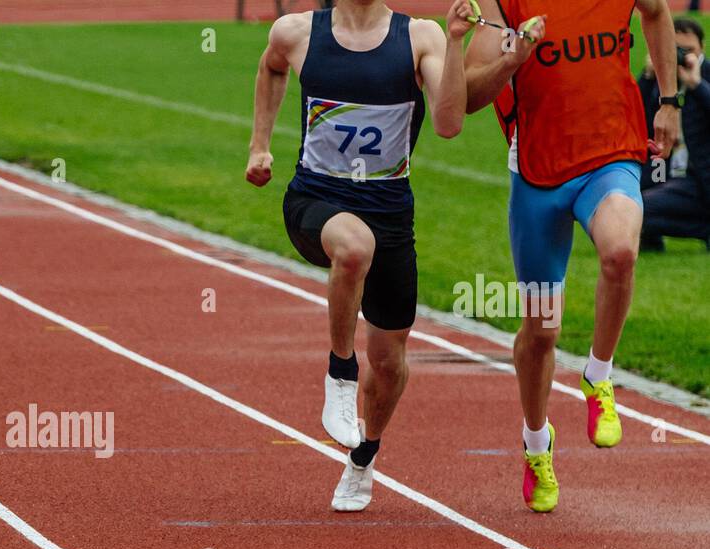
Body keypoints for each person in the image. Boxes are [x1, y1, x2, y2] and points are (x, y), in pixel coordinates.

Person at [246, 0, 477, 512]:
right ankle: (339, 372)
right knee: (353, 248)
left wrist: (458, 41)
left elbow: (449, 124)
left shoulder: (420, 38)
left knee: (391, 363)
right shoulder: (297, 31)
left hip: (390, 211)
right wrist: (259, 145)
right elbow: (271, 66)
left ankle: (363, 458)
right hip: (314, 202)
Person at [465, 0, 680, 513]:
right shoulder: (501, 4)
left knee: (621, 252)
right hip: (539, 172)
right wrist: (512, 58)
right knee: (541, 332)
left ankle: (598, 376)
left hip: (612, 153)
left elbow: (656, 11)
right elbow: (470, 95)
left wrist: (670, 100)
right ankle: (537, 444)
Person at [641, 17, 710, 251]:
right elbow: (638, 117)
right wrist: (649, 77)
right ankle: (651, 236)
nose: (681, 56)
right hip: (664, 173)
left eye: (688, 50)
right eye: (675, 49)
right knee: (631, 207)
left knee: (639, 208)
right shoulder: (660, 76)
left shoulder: (705, 75)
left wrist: (697, 86)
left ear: (702, 47)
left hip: (701, 178)